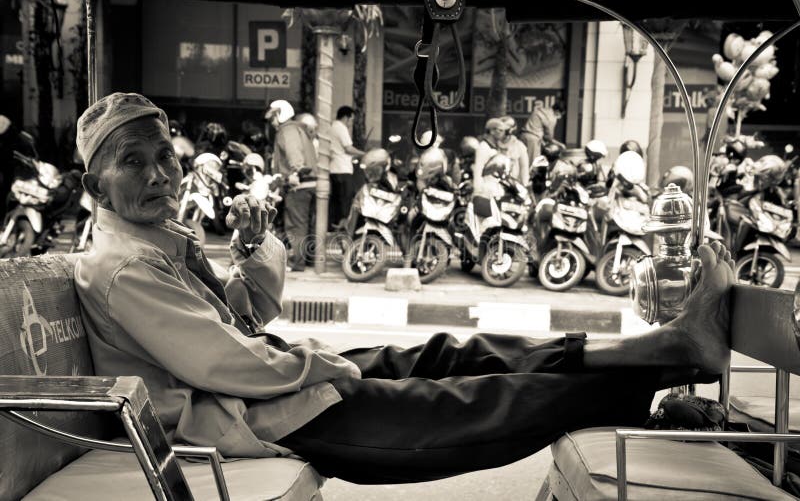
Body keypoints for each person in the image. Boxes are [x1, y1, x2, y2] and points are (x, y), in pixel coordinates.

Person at [74, 92, 735, 485]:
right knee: (463, 405)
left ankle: (660, 350)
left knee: (451, 353)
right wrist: (328, 367)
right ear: (95, 186)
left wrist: (254, 246)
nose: (159, 174)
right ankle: (665, 361)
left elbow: (249, 316)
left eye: (164, 155)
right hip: (242, 418)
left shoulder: (157, 241)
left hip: (266, 388)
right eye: (133, 162)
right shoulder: (124, 265)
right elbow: (223, 362)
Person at [266, 100, 317, 272]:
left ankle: (297, 262)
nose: (272, 122)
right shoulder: (299, 129)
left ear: (280, 115)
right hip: (310, 183)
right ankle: (309, 259)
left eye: (273, 118)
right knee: (307, 224)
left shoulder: (287, 130)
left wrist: (295, 171)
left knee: (296, 225)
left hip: (299, 183)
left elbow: (293, 151)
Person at [329, 106, 364, 229]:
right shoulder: (341, 127)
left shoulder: (332, 127)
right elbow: (348, 148)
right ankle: (342, 226)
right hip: (342, 169)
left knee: (337, 200)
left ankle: (335, 224)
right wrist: (365, 154)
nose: (351, 124)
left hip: (334, 169)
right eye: (351, 120)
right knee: (345, 200)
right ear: (346, 117)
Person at [520, 99, 565, 164]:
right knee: (532, 163)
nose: (560, 117)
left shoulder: (541, 110)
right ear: (557, 111)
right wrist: (560, 144)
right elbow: (549, 137)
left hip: (523, 136)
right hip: (533, 140)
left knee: (522, 161)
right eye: (561, 114)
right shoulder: (551, 117)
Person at [498, 115, 530, 186]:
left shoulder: (519, 146)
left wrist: (524, 185)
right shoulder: (492, 144)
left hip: (512, 185)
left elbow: (524, 169)